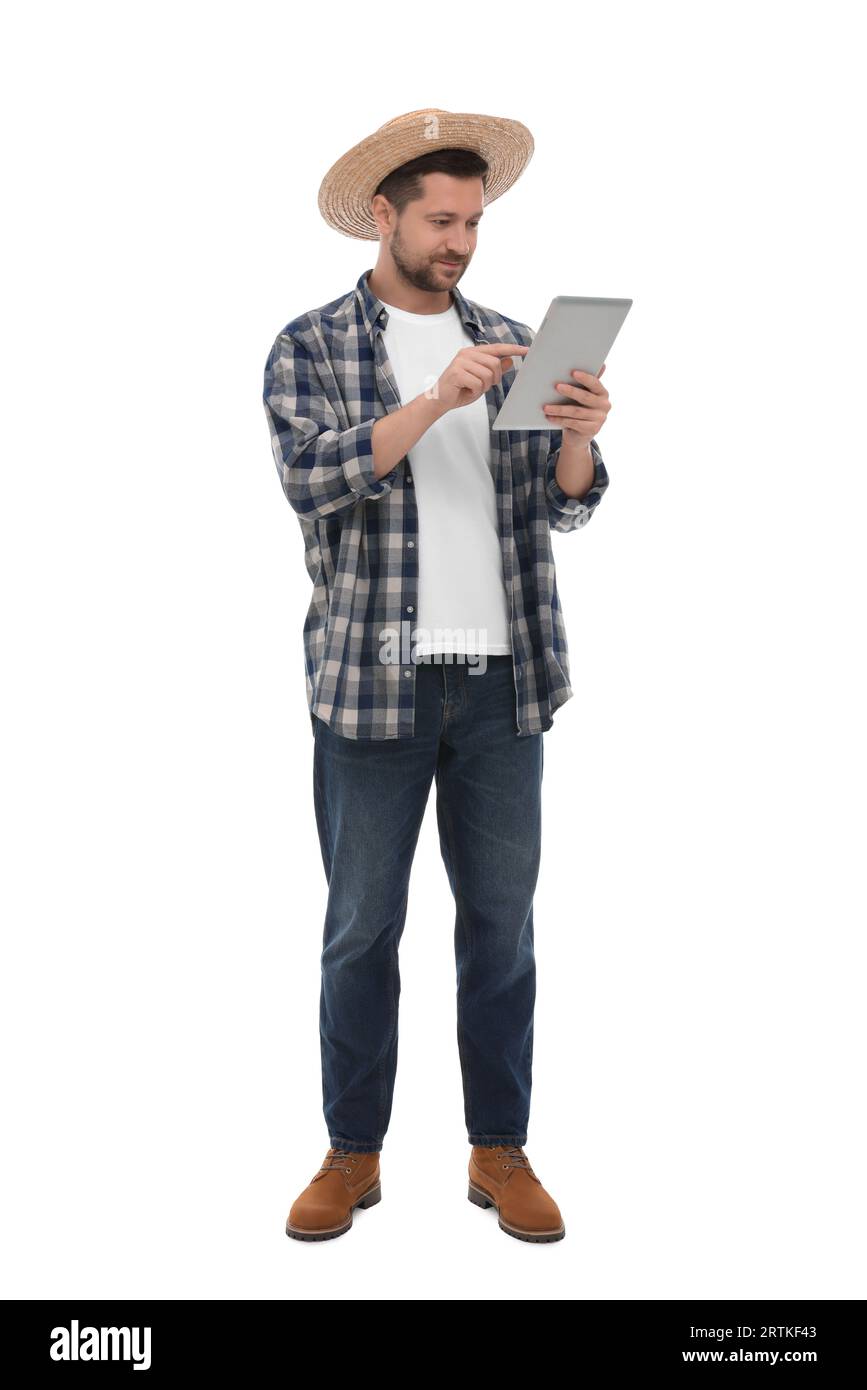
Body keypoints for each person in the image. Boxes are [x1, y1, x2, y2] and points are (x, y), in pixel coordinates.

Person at [262, 108, 613, 1243]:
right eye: (441, 219)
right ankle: (351, 1153)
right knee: (362, 927)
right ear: (387, 215)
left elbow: (559, 508)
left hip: (504, 687)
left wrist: (576, 433)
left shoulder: (514, 337)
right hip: (374, 685)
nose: (461, 239)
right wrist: (434, 401)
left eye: (474, 219)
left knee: (501, 929)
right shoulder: (312, 343)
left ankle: (497, 1149)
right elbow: (314, 478)